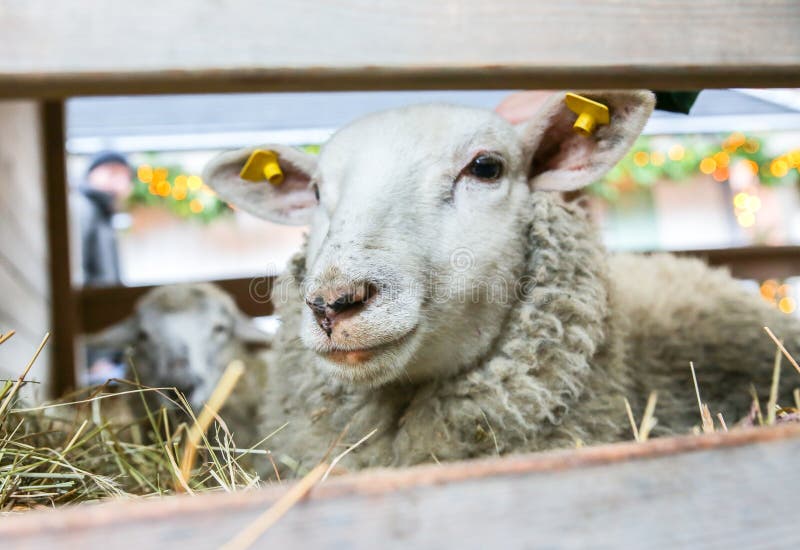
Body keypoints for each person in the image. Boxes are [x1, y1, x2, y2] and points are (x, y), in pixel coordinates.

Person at [73, 151, 133, 287]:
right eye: (113, 173)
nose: (120, 182)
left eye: (125, 177)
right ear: (92, 174)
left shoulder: (104, 214)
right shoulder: (82, 208)